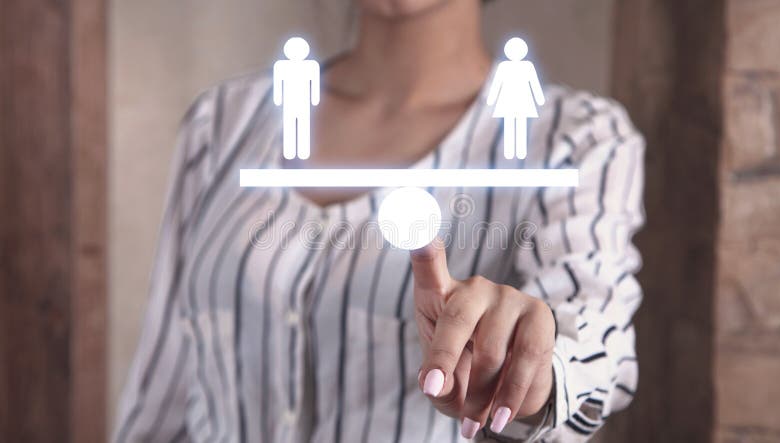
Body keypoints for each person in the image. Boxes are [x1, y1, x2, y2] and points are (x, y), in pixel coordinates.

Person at [114, 0, 645, 442]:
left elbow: (594, 337)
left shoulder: (575, 139)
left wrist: (531, 364)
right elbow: (161, 394)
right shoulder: (223, 122)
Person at [487, 37, 546, 160]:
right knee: (508, 126)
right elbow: (497, 84)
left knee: (520, 126)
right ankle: (509, 151)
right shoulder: (503, 67)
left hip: (523, 101)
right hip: (507, 101)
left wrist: (540, 99)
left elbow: (534, 83)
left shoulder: (527, 66)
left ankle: (520, 152)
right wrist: (491, 99)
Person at [274, 37, 321, 160]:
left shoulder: (311, 66)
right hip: (289, 102)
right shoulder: (281, 66)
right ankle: (289, 152)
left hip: (304, 103)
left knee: (303, 126)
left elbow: (314, 84)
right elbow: (279, 84)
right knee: (289, 125)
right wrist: (278, 98)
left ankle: (302, 152)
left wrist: (314, 99)